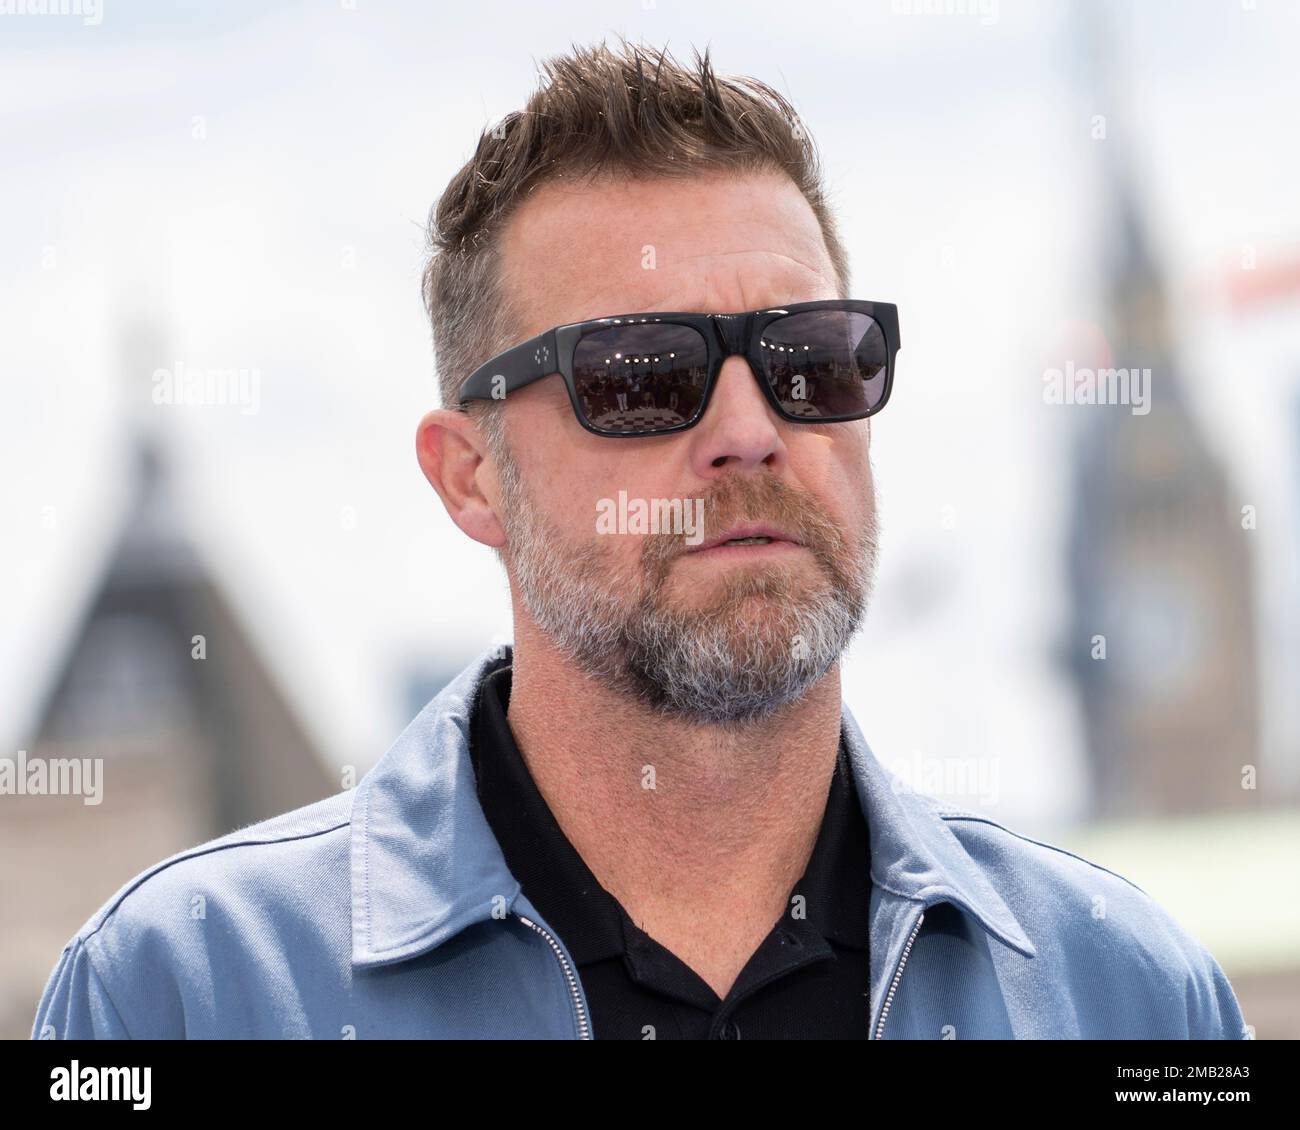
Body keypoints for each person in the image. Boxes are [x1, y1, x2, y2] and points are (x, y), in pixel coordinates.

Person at [31, 37, 1248, 1041]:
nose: (748, 430)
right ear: (471, 478)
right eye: (640, 376)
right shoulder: (182, 995)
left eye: (809, 361)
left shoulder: (1131, 999)